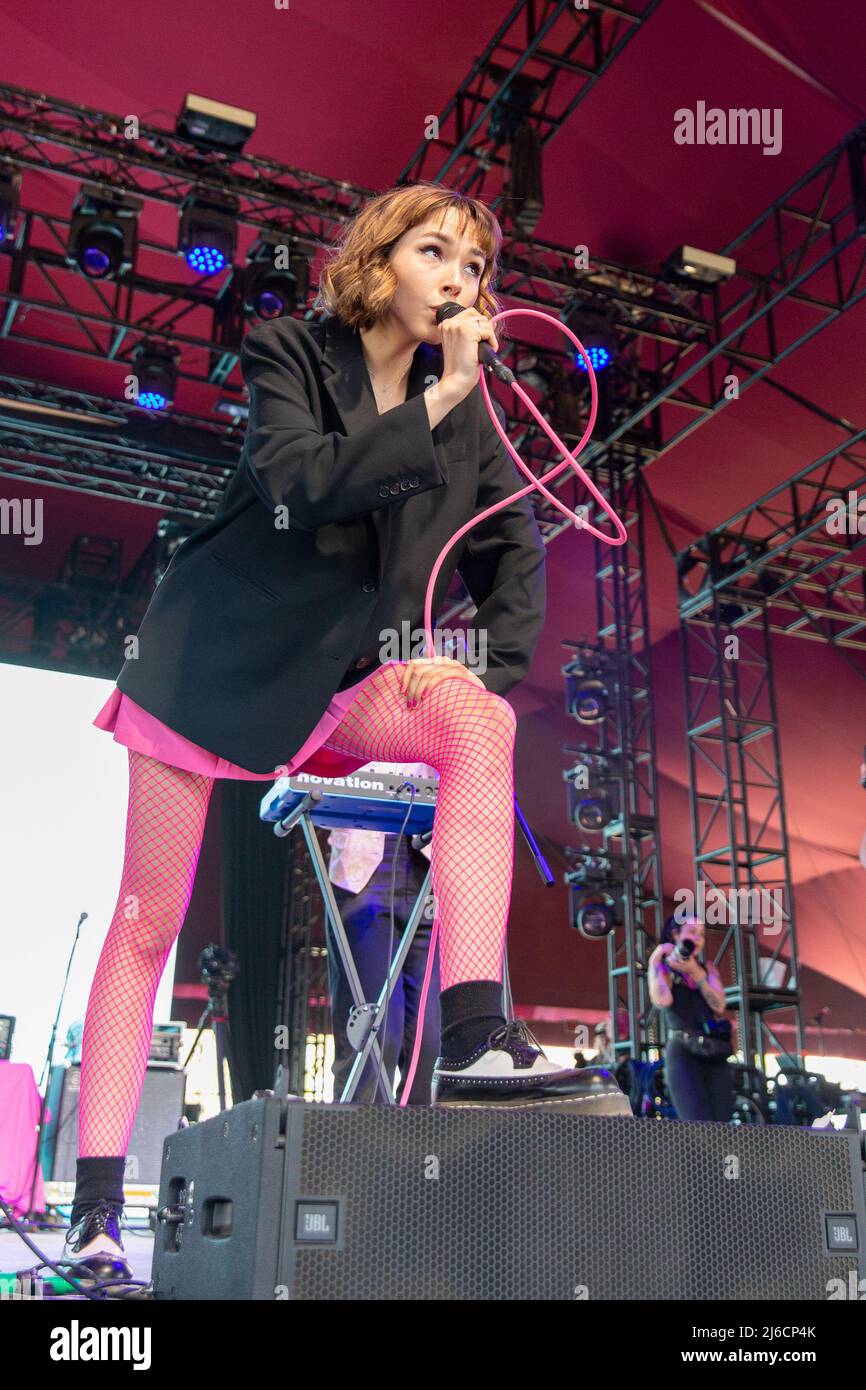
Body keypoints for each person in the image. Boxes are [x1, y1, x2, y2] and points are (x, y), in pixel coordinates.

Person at [63, 182, 620, 1283]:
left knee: (472, 715)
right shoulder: (290, 350)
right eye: (434, 252)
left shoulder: (462, 410)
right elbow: (300, 482)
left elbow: (509, 546)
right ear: (377, 259)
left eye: (473, 264)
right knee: (146, 918)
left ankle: (470, 1034)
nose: (459, 279)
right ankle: (89, 1212)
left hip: (336, 685)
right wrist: (442, 398)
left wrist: (485, 672)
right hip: (211, 664)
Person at [325, 759, 440, 1103]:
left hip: (431, 858)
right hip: (365, 864)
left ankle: (426, 1147)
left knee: (430, 1037)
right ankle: (358, 1148)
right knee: (374, 1034)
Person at [648, 914, 733, 1123]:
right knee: (697, 1121)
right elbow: (663, 1000)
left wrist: (695, 973)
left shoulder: (707, 969)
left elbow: (719, 1005)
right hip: (683, 1051)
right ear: (676, 935)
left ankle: (724, 1157)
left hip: (713, 1051)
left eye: (701, 934)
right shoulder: (665, 969)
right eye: (692, 933)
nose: (697, 938)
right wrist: (655, 961)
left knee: (722, 1121)